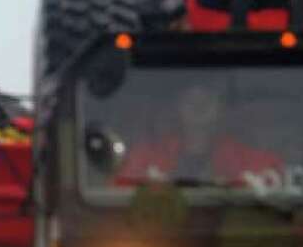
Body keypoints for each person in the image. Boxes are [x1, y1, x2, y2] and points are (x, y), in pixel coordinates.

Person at [117, 80, 284, 186]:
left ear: (222, 109)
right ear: (177, 106)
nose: (198, 105)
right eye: (190, 99)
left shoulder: (254, 161)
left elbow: (275, 190)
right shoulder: (144, 158)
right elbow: (118, 197)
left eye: (207, 99)